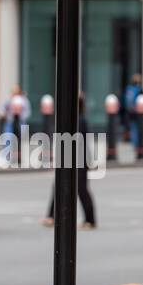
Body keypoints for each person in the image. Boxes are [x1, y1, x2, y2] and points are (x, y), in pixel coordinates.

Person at [43, 93, 97, 229]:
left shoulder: (79, 121)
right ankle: (52, 216)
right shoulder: (71, 120)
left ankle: (90, 220)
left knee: (82, 190)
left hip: (79, 161)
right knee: (58, 187)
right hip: (68, 159)